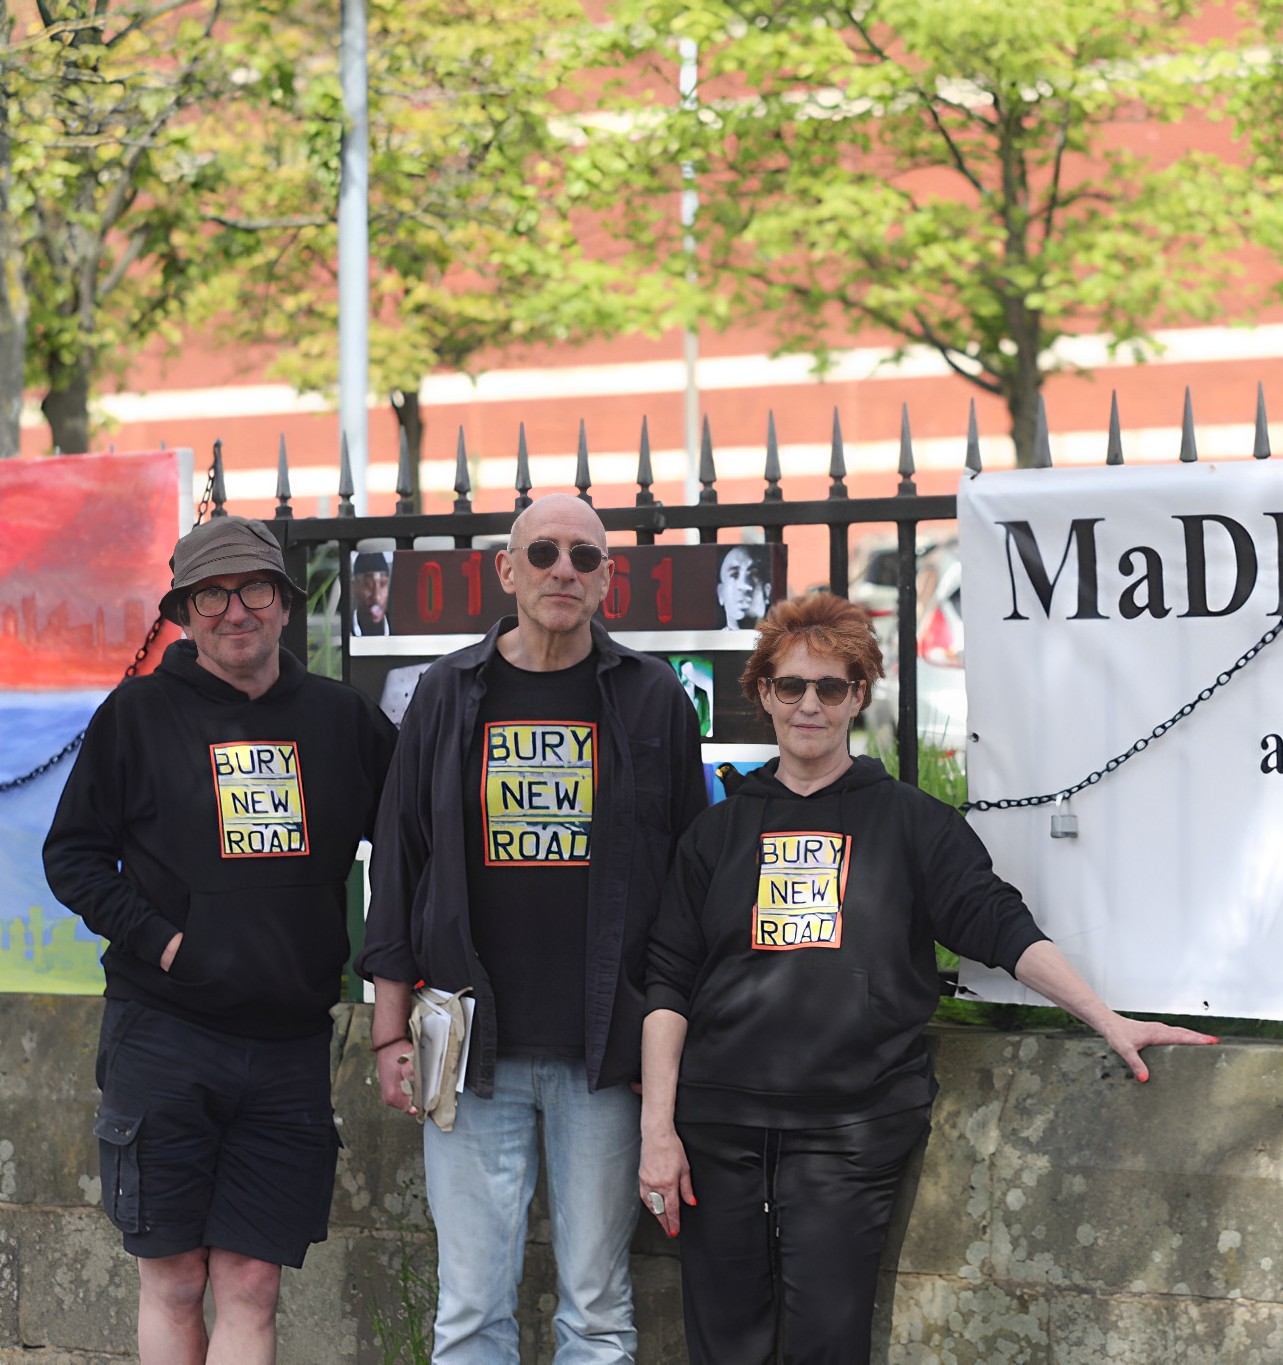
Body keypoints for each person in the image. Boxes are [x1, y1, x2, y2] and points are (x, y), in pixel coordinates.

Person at [636, 593, 1213, 1363]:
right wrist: (658, 1132)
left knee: (826, 1346)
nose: (810, 703)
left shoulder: (910, 822)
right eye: (791, 685)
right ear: (762, 694)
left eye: (831, 686)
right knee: (723, 1346)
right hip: (717, 1134)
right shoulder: (715, 833)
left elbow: (998, 924)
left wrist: (1105, 1017)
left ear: (859, 696)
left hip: (850, 1132)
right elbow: (669, 982)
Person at [359, 493, 709, 1364]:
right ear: (508, 571)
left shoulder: (652, 698)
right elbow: (399, 863)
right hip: (469, 1045)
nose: (565, 570)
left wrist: (665, 1044)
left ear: (606, 582)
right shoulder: (446, 692)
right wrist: (387, 1029)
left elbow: (685, 879)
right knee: (471, 1308)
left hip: (607, 1051)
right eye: (544, 553)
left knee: (596, 1310)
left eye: (585, 558)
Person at [42, 514, 395, 1365]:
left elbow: (419, 842)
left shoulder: (341, 721)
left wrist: (396, 985)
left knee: (251, 1281)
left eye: (254, 590)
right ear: (186, 612)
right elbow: (74, 855)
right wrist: (164, 942)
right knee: (173, 1278)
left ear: (284, 603)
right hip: (163, 1033)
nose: (235, 611)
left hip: (288, 1044)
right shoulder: (137, 715)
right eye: (211, 595)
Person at [715, 543, 770, 630]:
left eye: (753, 574)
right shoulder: (709, 642)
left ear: (767, 591)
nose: (744, 585)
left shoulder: (782, 641)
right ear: (721, 594)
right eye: (734, 574)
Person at [350, 550, 392, 636]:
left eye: (383, 583)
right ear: (354, 587)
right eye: (368, 585)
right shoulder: (340, 632)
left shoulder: (400, 633)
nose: (377, 597)